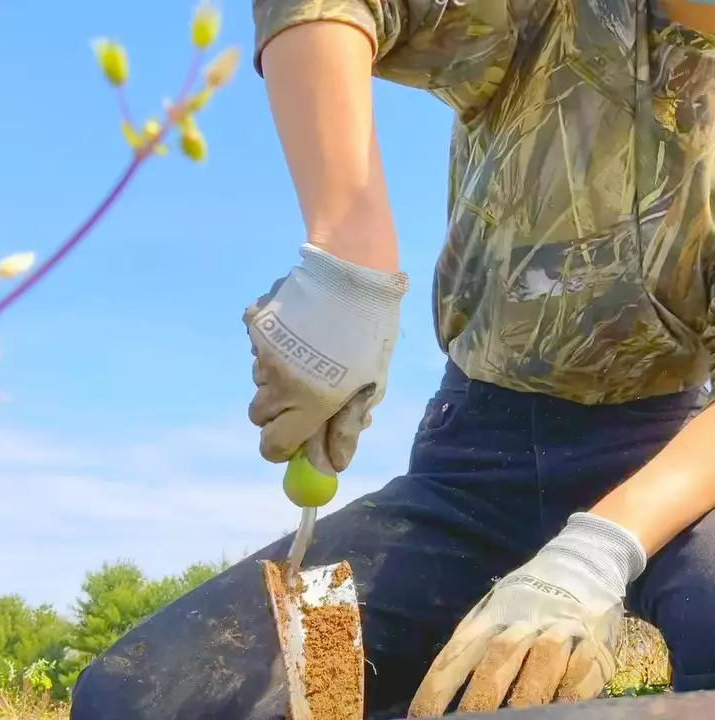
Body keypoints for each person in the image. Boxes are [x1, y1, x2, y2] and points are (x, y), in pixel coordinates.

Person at [70, 0, 715, 718]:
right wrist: (350, 263)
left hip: (676, 473)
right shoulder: (559, 15)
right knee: (143, 701)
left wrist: (601, 547)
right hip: (469, 475)